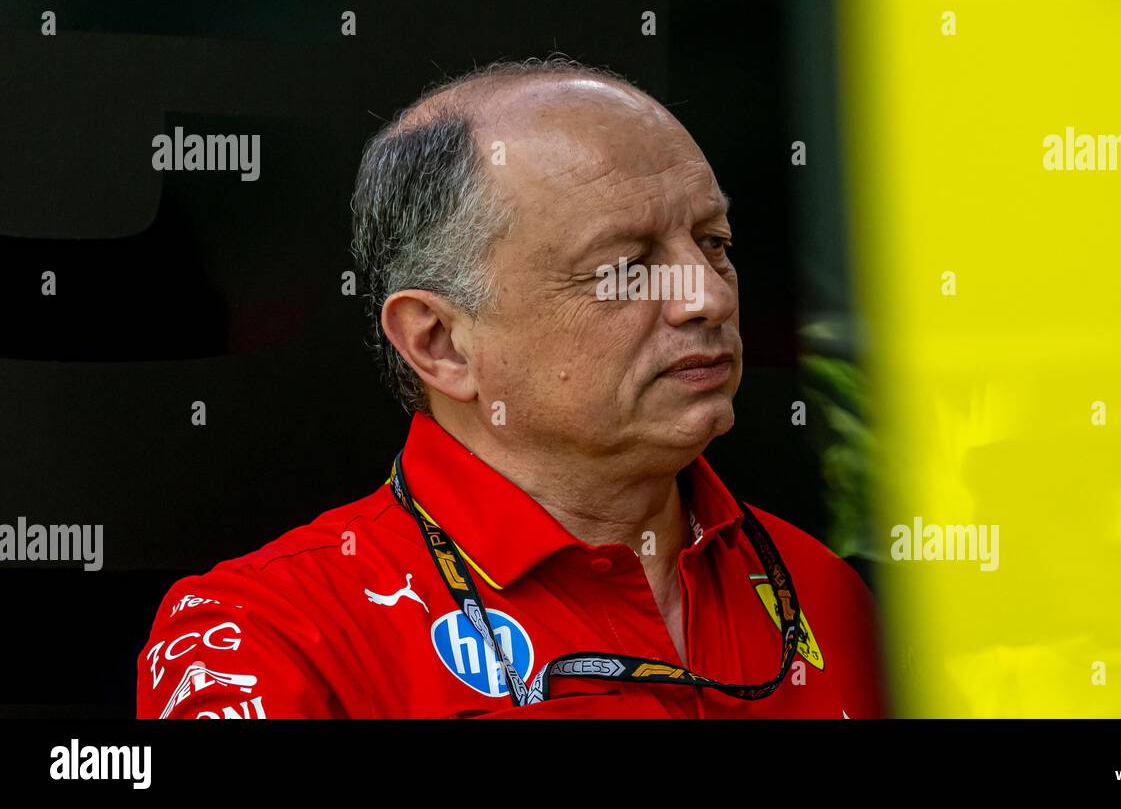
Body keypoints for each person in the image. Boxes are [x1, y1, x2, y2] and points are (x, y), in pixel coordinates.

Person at [135, 56, 887, 718]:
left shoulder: (820, 592)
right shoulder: (271, 635)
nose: (708, 299)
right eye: (626, 267)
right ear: (440, 342)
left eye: (715, 244)